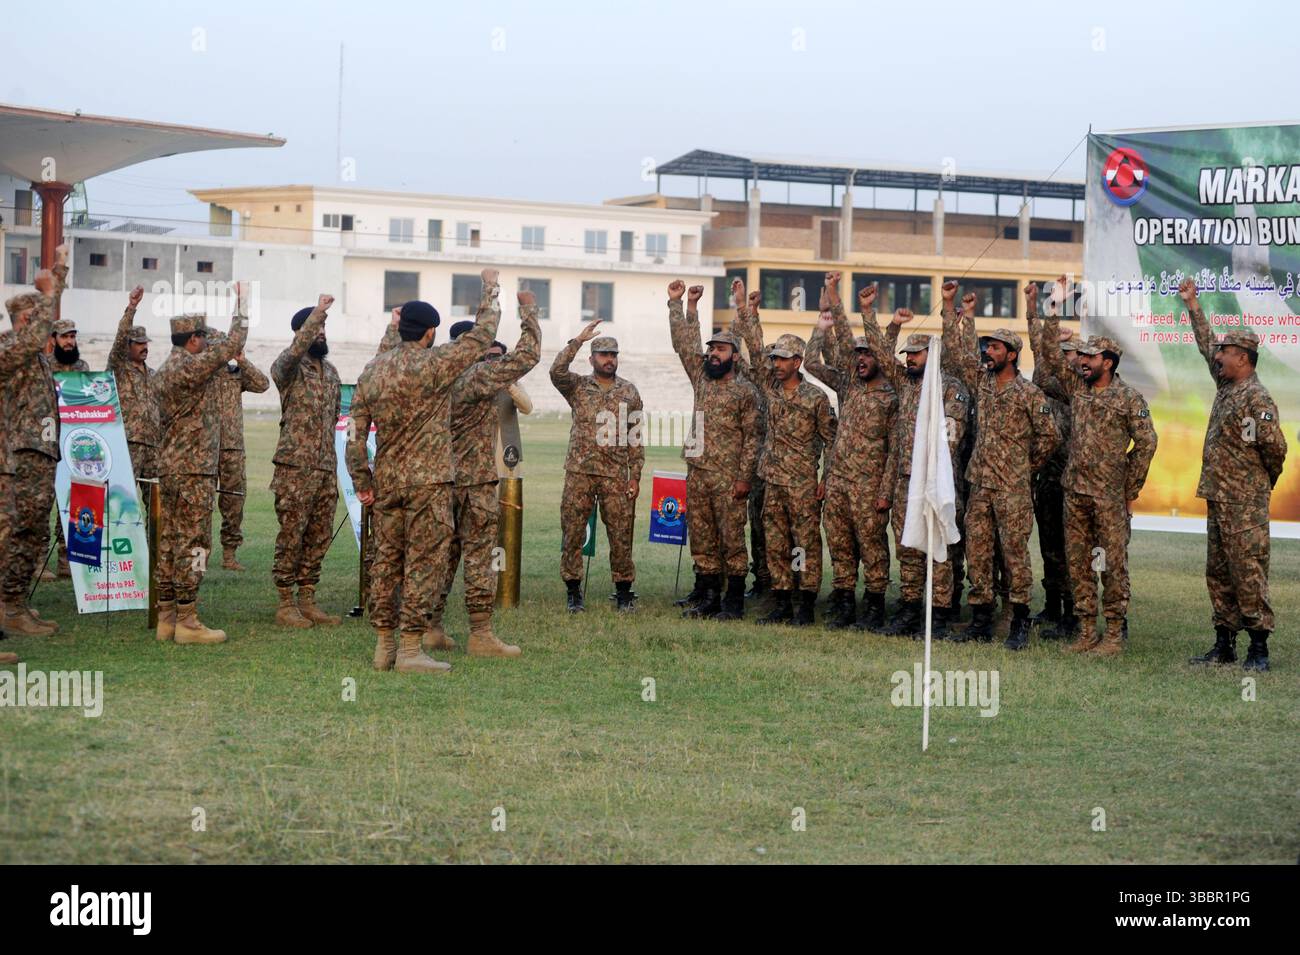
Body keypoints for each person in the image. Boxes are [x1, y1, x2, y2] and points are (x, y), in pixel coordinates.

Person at [346, 270, 500, 674]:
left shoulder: (373, 370)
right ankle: (411, 649)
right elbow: (482, 336)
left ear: (401, 330)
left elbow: (355, 434)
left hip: (387, 482)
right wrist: (490, 289)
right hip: (429, 484)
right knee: (423, 564)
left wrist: (362, 482)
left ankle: (384, 647)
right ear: (430, 333)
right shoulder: (436, 364)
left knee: (385, 563)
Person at [1038, 282, 1158, 657]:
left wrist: (1129, 487)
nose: (1081, 362)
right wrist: (1053, 308)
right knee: (1080, 564)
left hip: (1108, 497)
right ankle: (1087, 631)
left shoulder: (1128, 398)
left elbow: (1148, 442)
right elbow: (1048, 353)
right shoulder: (1078, 388)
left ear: (1108, 362)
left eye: (1090, 358)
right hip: (1075, 492)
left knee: (1113, 566)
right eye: (1081, 357)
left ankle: (1114, 634)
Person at [941, 282, 1058, 649]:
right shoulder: (982, 382)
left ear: (1011, 354)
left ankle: (1019, 620)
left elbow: (1049, 436)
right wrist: (952, 309)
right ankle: (980, 619)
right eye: (987, 346)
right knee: (977, 552)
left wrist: (1025, 467)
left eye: (994, 348)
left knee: (1014, 555)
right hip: (980, 485)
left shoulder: (1028, 394)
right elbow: (958, 351)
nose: (987, 352)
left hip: (1012, 490)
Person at [426, 287, 540, 656]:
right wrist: (528, 311)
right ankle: (480, 634)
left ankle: (431, 627)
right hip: (474, 480)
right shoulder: (477, 377)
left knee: (443, 555)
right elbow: (528, 355)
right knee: (478, 555)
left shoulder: (431, 373)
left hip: (440, 477)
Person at [1180, 278, 1287, 671]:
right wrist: (1193, 305)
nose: (1218, 356)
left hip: (1245, 502)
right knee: (1219, 570)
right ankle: (1223, 643)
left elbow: (1275, 449)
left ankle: (1258, 648)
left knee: (1248, 570)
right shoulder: (1226, 387)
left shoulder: (1257, 398)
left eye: (1224, 351)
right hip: (1217, 497)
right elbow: (1204, 341)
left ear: (1243, 357)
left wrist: (1259, 483)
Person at [859, 285, 969, 638]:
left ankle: (938, 615)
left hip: (936, 480)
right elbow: (878, 349)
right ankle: (908, 610)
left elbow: (951, 439)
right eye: (907, 354)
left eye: (916, 354)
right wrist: (869, 312)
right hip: (906, 481)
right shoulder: (905, 387)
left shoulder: (950, 389)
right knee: (908, 547)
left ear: (932, 355)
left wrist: (949, 306)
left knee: (939, 550)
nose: (909, 359)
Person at [732, 279, 836, 626]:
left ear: (798, 362)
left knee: (801, 544)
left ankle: (804, 601)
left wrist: (826, 478)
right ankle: (779, 601)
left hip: (802, 485)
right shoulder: (769, 388)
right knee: (775, 543)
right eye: (775, 358)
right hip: (772, 482)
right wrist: (747, 311)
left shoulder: (816, 398)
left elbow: (831, 440)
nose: (776, 364)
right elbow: (754, 345)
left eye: (783, 359)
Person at [154, 288, 250, 645]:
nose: (209, 344)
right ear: (193, 340)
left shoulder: (165, 369)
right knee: (196, 544)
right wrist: (241, 304)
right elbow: (235, 341)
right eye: (204, 338)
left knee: (169, 540)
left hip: (171, 467)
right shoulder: (192, 367)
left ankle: (166, 614)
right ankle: (188, 619)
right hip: (194, 469)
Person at [807, 275, 897, 631]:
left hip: (870, 486)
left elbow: (894, 451)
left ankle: (874, 607)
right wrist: (826, 313)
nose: (860, 359)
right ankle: (843, 603)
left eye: (867, 353)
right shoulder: (847, 384)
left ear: (881, 358)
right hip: (840, 483)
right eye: (857, 354)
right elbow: (813, 362)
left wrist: (885, 491)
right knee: (840, 545)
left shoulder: (891, 396)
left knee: (872, 547)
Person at [667, 280, 759, 620]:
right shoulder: (702, 379)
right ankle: (707, 597)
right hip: (699, 472)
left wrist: (744, 478)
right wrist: (683, 306)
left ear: (734, 356)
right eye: (711, 349)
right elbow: (684, 343)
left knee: (732, 539)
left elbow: (753, 438)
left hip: (729, 478)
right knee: (701, 536)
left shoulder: (745, 391)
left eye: (720, 350)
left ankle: (733, 601)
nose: (712, 354)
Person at [550, 319, 644, 613]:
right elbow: (556, 372)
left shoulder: (629, 392)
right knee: (573, 532)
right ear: (592, 359)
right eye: (603, 355)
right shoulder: (578, 385)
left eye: (613, 355)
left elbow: (636, 437)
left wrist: (635, 475)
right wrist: (577, 340)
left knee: (621, 533)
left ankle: (624, 591)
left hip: (616, 474)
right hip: (580, 471)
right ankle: (574, 591)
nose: (609, 360)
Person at [1, 245, 68, 636]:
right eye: (39, 317)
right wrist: (50, 291)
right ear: (26, 319)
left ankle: (15, 603)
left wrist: (60, 268)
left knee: (34, 532)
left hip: (40, 456)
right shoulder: (12, 348)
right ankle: (9, 607)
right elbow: (38, 331)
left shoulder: (33, 355)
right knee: (19, 532)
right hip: (21, 457)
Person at [269, 300, 343, 629]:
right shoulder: (287, 368)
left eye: (324, 330)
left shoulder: (331, 372)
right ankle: (286, 602)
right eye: (315, 330)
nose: (322, 335)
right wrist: (317, 315)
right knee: (292, 534)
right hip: (295, 468)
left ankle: (307, 598)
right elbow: (291, 355)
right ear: (301, 334)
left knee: (319, 535)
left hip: (326, 467)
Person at [1024, 281, 1074, 634]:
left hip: (1069, 475)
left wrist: (1053, 312)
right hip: (1047, 474)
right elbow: (1038, 345)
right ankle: (1053, 605)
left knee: (1071, 548)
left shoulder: (1075, 382)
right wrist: (1032, 307)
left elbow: (1046, 351)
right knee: (1049, 545)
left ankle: (1072, 611)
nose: (1061, 353)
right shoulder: (1044, 373)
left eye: (1067, 349)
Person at [207, 331, 269, 572]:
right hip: (205, 448)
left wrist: (242, 359)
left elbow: (262, 384)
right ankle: (198, 558)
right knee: (202, 505)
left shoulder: (235, 375)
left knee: (234, 502)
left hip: (233, 448)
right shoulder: (199, 375)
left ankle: (229, 555)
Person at [106, 286, 160, 485]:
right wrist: (131, 307)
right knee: (124, 498)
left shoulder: (154, 375)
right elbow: (120, 338)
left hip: (153, 446)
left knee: (157, 503)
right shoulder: (118, 368)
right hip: (128, 444)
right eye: (138, 343)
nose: (144, 347)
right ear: (128, 345)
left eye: (145, 343)